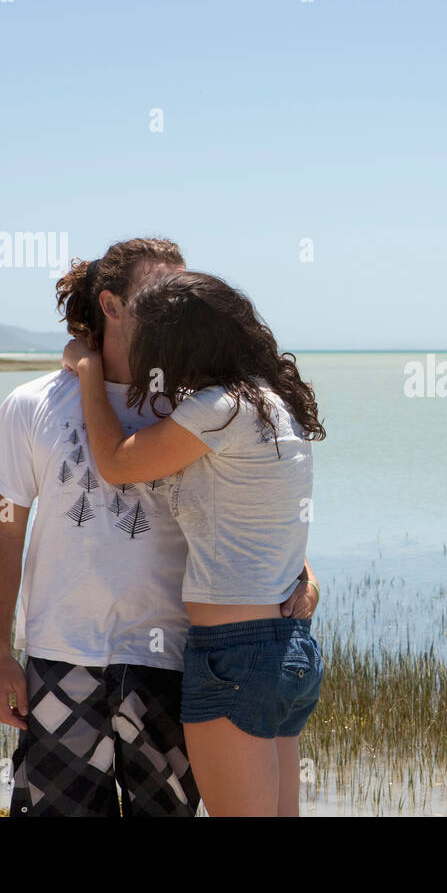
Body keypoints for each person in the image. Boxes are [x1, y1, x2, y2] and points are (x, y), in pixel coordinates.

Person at [0, 238, 320, 816]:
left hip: (176, 662)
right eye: (160, 293)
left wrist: (304, 577)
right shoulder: (31, 404)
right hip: (63, 657)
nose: (173, 306)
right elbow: (4, 530)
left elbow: (260, 510)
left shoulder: (200, 404)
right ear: (110, 304)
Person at [62, 270, 325, 816]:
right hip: (286, 645)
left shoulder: (218, 408)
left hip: (234, 652)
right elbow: (267, 516)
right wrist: (308, 574)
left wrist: (88, 372)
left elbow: (115, 464)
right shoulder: (273, 403)